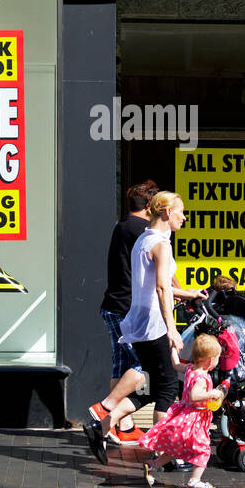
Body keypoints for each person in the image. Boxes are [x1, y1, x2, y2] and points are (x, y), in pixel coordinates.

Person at [84, 191, 207, 465]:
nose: (184, 217)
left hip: (138, 322)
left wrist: (189, 294)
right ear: (166, 213)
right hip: (154, 325)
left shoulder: (144, 239)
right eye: (181, 212)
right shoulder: (161, 245)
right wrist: (172, 329)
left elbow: (154, 284)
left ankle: (102, 426)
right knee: (165, 389)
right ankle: (162, 456)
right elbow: (163, 288)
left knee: (150, 389)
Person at [89, 180, 158, 446]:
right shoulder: (143, 230)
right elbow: (159, 268)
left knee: (121, 363)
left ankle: (123, 426)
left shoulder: (122, 226)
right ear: (150, 205)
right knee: (146, 365)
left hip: (113, 305)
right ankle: (105, 409)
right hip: (128, 308)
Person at [141, 334, 227, 488]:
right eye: (217, 358)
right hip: (194, 419)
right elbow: (195, 396)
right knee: (203, 449)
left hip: (185, 415)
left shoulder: (189, 369)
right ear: (209, 360)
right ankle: (195, 480)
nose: (217, 361)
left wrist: (174, 347)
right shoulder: (202, 377)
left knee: (176, 448)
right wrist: (212, 394)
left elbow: (175, 364)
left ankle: (152, 466)